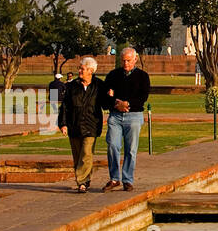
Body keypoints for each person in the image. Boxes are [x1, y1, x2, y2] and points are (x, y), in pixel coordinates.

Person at [99, 47, 150, 192]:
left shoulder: (142, 76)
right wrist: (116, 104)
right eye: (123, 60)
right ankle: (114, 178)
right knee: (113, 145)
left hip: (133, 116)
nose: (126, 63)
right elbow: (105, 95)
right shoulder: (113, 75)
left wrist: (127, 104)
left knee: (131, 150)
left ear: (135, 60)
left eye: (128, 60)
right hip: (115, 116)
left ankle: (127, 179)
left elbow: (143, 97)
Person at [58, 56, 105, 193]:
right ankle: (85, 180)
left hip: (91, 125)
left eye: (82, 69)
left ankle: (81, 182)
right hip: (74, 124)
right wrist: (63, 124)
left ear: (90, 71)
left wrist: (111, 96)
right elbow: (65, 106)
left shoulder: (98, 85)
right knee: (78, 155)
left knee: (86, 153)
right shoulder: (72, 86)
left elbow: (105, 103)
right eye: (80, 68)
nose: (79, 71)